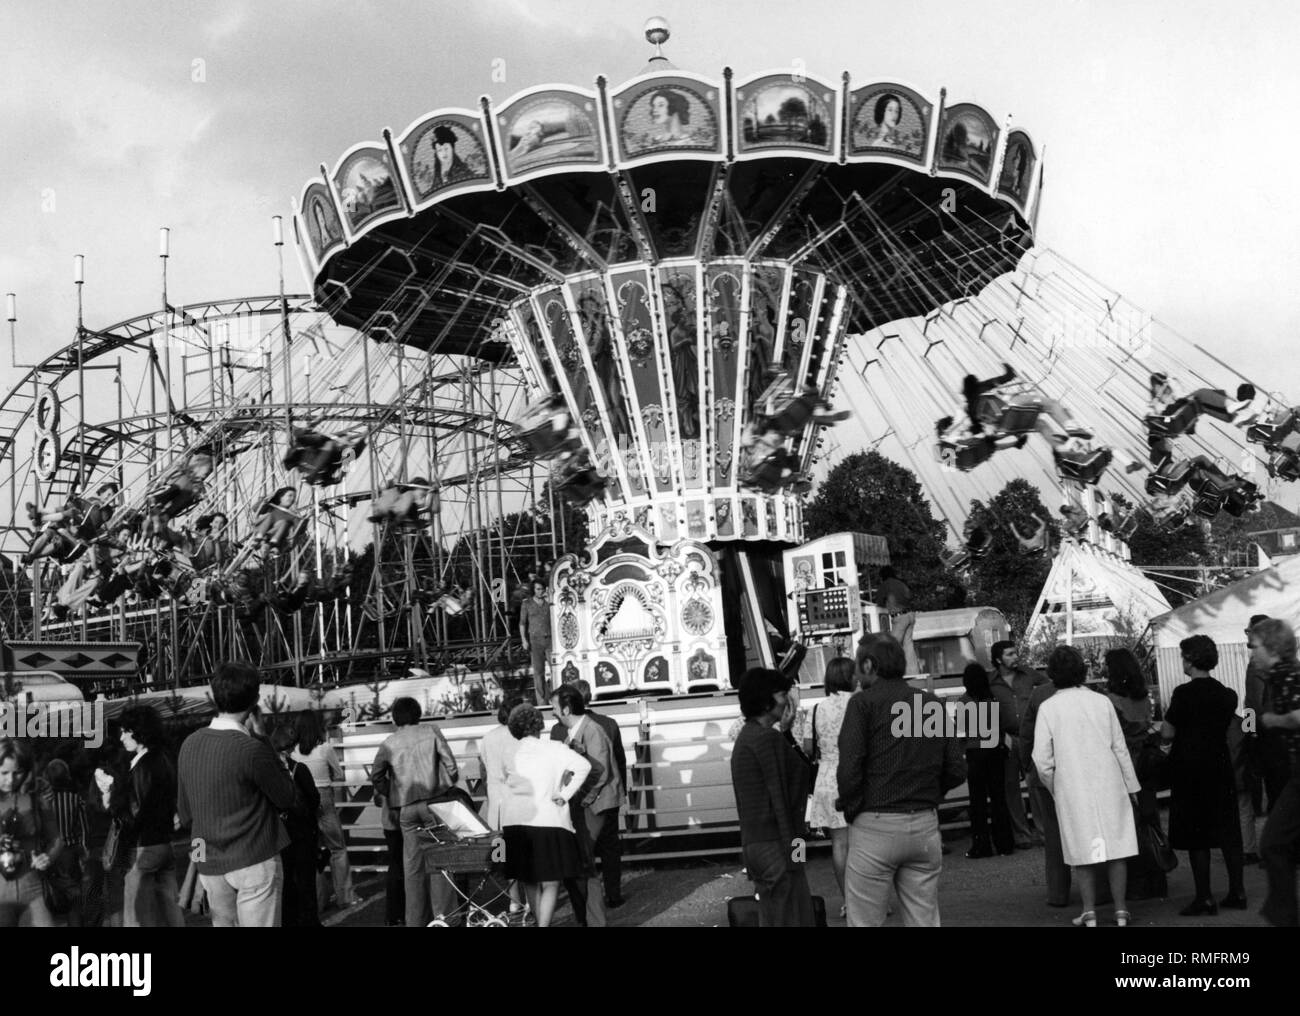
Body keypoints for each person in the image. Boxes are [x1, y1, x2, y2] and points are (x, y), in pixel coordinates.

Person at [838, 635, 966, 927]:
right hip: (924, 824)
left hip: (875, 823)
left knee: (865, 920)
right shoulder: (929, 704)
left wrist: (853, 808)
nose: (855, 673)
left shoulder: (862, 705)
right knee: (924, 918)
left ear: (869, 665)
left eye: (858, 665)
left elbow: (849, 769)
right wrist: (931, 795)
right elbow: (956, 768)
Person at [177, 661, 298, 927]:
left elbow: (186, 815)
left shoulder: (189, 744)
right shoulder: (251, 749)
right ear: (256, 700)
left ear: (215, 696)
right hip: (254, 855)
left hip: (210, 860)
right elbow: (287, 796)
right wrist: (264, 738)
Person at [1032, 645, 1141, 927]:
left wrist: (1055, 786)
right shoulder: (1101, 701)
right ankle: (1120, 910)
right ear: (1082, 670)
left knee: (1081, 849)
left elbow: (1041, 759)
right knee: (1117, 845)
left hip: (1072, 785)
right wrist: (1132, 786)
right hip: (1110, 781)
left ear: (1052, 674)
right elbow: (1120, 747)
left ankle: (1089, 910)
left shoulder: (1048, 708)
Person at [1160, 634, 1246, 915]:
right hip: (1219, 766)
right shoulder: (1226, 694)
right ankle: (1238, 891)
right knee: (1228, 829)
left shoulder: (1183, 694)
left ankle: (1204, 896)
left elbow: (1168, 732)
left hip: (1190, 768)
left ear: (1191, 659)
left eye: (1184, 656)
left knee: (1198, 834)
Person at [731, 667, 816, 927]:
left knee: (775, 912)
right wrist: (797, 853)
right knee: (793, 913)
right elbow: (802, 777)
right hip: (780, 842)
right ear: (766, 700)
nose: (787, 700)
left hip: (756, 844)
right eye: (782, 694)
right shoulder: (769, 739)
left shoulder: (746, 737)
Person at [369, 696, 461, 928]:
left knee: (412, 867)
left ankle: (415, 920)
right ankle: (443, 917)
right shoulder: (431, 731)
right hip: (435, 803)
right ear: (418, 712)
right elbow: (450, 765)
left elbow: (376, 775)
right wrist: (447, 785)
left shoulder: (389, 742)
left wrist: (392, 793)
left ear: (395, 717)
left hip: (406, 809)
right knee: (441, 860)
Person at [500, 703, 592, 928]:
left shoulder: (508, 751)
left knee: (529, 879)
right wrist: (564, 794)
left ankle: (538, 923)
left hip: (514, 821)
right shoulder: (554, 748)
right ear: (538, 725)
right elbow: (584, 766)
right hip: (548, 820)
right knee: (551, 882)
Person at [551, 679, 628, 908]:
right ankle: (609, 896)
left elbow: (599, 771)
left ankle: (590, 909)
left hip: (595, 800)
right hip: (601, 799)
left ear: (566, 708)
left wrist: (581, 797)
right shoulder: (605, 724)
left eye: (554, 707)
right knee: (605, 849)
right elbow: (617, 762)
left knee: (585, 856)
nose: (552, 713)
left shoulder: (585, 729)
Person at [1103, 649, 1168, 900]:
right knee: (1151, 817)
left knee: (1128, 822)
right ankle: (1158, 872)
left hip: (1125, 759)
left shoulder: (1110, 699)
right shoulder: (1143, 696)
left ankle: (1136, 879)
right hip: (1146, 758)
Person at [117, 706, 186, 928]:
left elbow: (138, 812)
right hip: (165, 843)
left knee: (135, 915)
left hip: (143, 847)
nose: (122, 737)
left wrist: (114, 806)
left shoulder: (142, 767)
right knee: (171, 911)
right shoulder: (164, 760)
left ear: (139, 731)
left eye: (126, 731)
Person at [1252, 618, 1300, 926]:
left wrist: (1265, 723)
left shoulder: (1282, 675)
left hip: (1295, 766)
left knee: (1273, 841)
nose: (1250, 652)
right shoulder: (1281, 673)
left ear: (1271, 647)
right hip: (1291, 764)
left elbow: (1296, 716)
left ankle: (1282, 916)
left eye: (1254, 646)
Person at [804, 657, 857, 913]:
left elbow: (806, 746)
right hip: (856, 778)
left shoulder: (816, 708)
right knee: (865, 844)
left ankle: (848, 901)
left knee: (839, 844)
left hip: (826, 779)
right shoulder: (859, 704)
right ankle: (869, 899)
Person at [290, 712, 357, 912]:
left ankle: (317, 898)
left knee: (310, 851)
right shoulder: (325, 748)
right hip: (325, 798)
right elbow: (338, 774)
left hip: (302, 801)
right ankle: (345, 896)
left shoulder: (293, 751)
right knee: (338, 848)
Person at [989, 640, 1049, 849]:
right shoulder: (991, 681)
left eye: (1015, 653)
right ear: (998, 659)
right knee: (1011, 787)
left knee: (1036, 784)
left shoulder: (1029, 674)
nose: (1015, 657)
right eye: (1010, 654)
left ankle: (1044, 832)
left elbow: (1049, 686)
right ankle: (1022, 835)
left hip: (1031, 737)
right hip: (1007, 738)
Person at [0, 739, 62, 927]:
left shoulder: (37, 798)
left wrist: (48, 857)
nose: (11, 780)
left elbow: (57, 839)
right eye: (4, 773)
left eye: (17, 773)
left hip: (33, 890)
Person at [478, 696, 529, 925]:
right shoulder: (521, 737)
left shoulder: (488, 738)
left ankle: (514, 900)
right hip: (519, 803)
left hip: (497, 805)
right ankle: (530, 901)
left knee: (505, 857)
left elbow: (484, 771)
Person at [1020, 679, 1069, 906]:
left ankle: (1058, 893)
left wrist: (1027, 766)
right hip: (1078, 772)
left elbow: (1027, 735)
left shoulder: (1040, 695)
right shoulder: (1091, 694)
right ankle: (1099, 891)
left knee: (1053, 835)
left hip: (1046, 773)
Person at [959, 663, 1014, 859]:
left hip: (975, 752)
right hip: (995, 750)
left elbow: (962, 728)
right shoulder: (993, 699)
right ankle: (1005, 844)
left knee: (978, 801)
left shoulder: (965, 701)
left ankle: (981, 845)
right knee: (999, 798)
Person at [270, 725, 321, 928]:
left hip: (279, 832)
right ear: (291, 747)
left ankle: (288, 919)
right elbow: (313, 799)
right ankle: (309, 920)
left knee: (286, 881)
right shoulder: (299, 769)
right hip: (303, 830)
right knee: (306, 878)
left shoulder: (268, 772)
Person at [41, 759, 88, 927]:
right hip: (70, 851)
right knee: (74, 900)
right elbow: (84, 829)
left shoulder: (43, 802)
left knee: (52, 896)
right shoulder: (75, 800)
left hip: (49, 853)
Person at [875, 566, 918, 674]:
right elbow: (910, 596)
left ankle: (892, 674)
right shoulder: (900, 583)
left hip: (899, 617)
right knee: (908, 645)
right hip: (910, 614)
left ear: (883, 576)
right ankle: (913, 674)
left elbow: (879, 601)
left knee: (892, 647)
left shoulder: (886, 584)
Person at [519, 580, 553, 704]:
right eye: (538, 589)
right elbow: (522, 623)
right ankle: (541, 700)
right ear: (533, 590)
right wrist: (524, 640)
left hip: (550, 639)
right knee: (539, 672)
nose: (540, 591)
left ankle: (554, 696)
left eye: (542, 589)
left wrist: (550, 600)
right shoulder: (527, 604)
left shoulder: (549, 603)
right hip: (535, 640)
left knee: (554, 668)